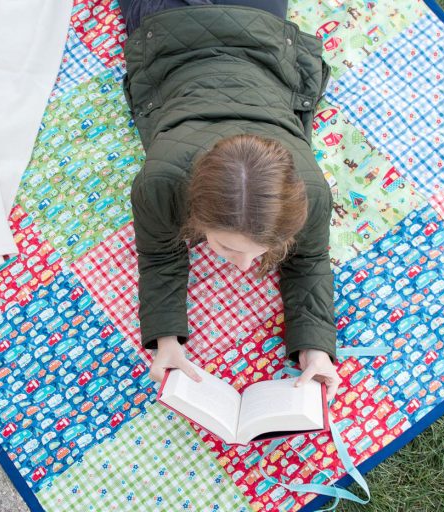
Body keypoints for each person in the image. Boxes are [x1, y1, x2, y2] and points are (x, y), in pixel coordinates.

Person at [119, 0, 341, 401]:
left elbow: (308, 259)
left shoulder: (308, 192)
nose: (244, 266)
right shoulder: (162, 183)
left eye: (265, 249)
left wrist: (316, 351)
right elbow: (159, 255)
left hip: (253, 30)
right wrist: (165, 339)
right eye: (226, 246)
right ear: (194, 211)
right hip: (175, 29)